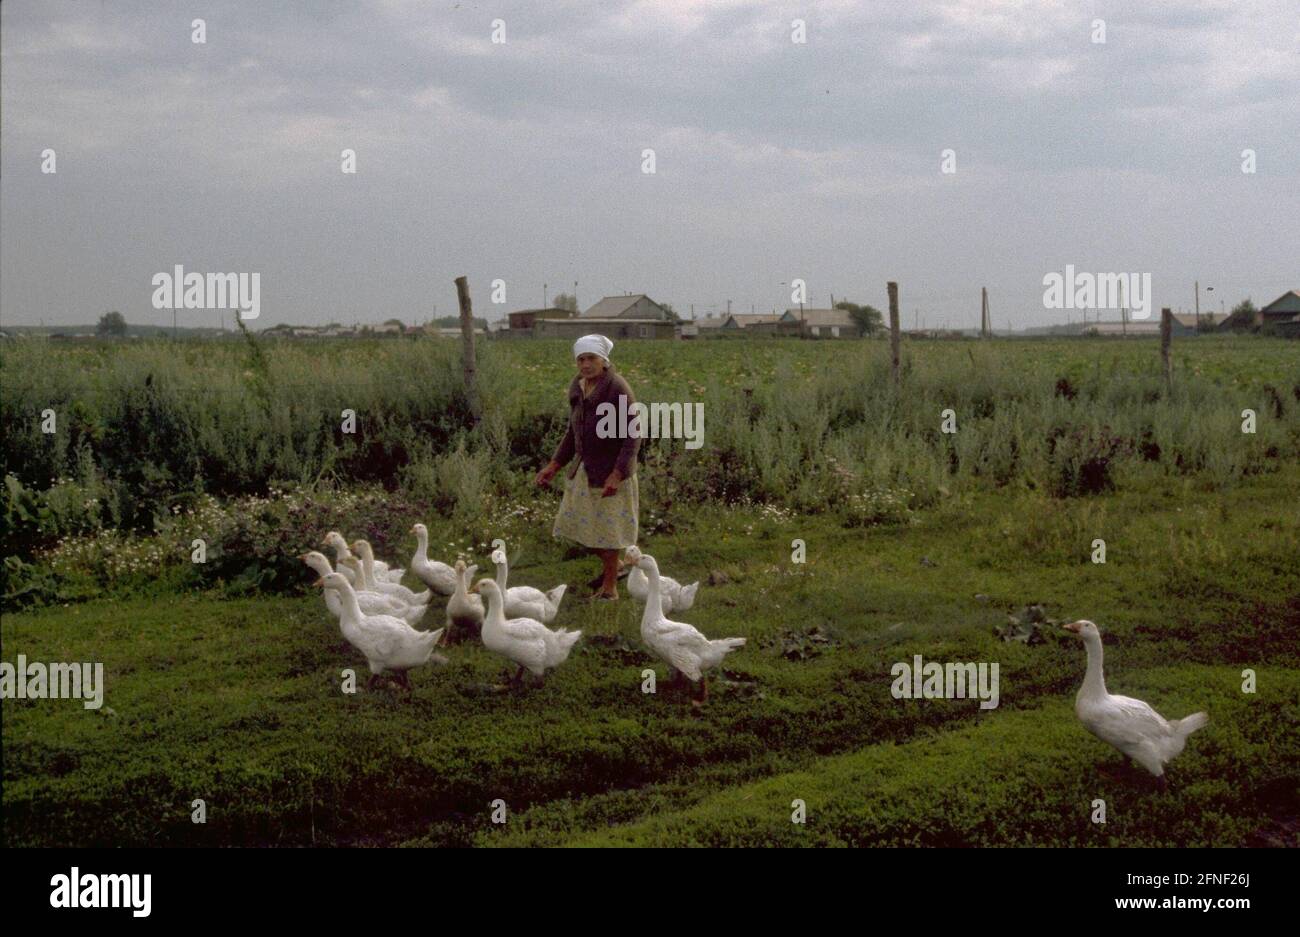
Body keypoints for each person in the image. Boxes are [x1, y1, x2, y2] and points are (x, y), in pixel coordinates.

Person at [535, 334, 640, 600]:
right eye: (581, 359)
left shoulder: (616, 387)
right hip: (585, 469)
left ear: (604, 361)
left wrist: (618, 474)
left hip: (611, 471)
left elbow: (632, 434)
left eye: (591, 358)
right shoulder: (579, 388)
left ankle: (610, 589)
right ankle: (614, 567)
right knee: (574, 525)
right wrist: (554, 465)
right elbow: (574, 433)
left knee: (608, 531)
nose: (585, 364)